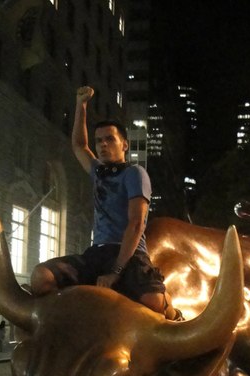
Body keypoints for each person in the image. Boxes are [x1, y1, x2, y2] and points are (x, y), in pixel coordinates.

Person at [30, 85, 180, 320]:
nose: (102, 144)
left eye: (110, 139)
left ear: (125, 145)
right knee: (41, 278)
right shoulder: (98, 172)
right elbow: (79, 146)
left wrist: (115, 272)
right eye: (99, 140)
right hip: (97, 253)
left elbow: (136, 224)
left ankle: (173, 311)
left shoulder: (134, 173)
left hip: (129, 253)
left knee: (152, 302)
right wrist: (81, 105)